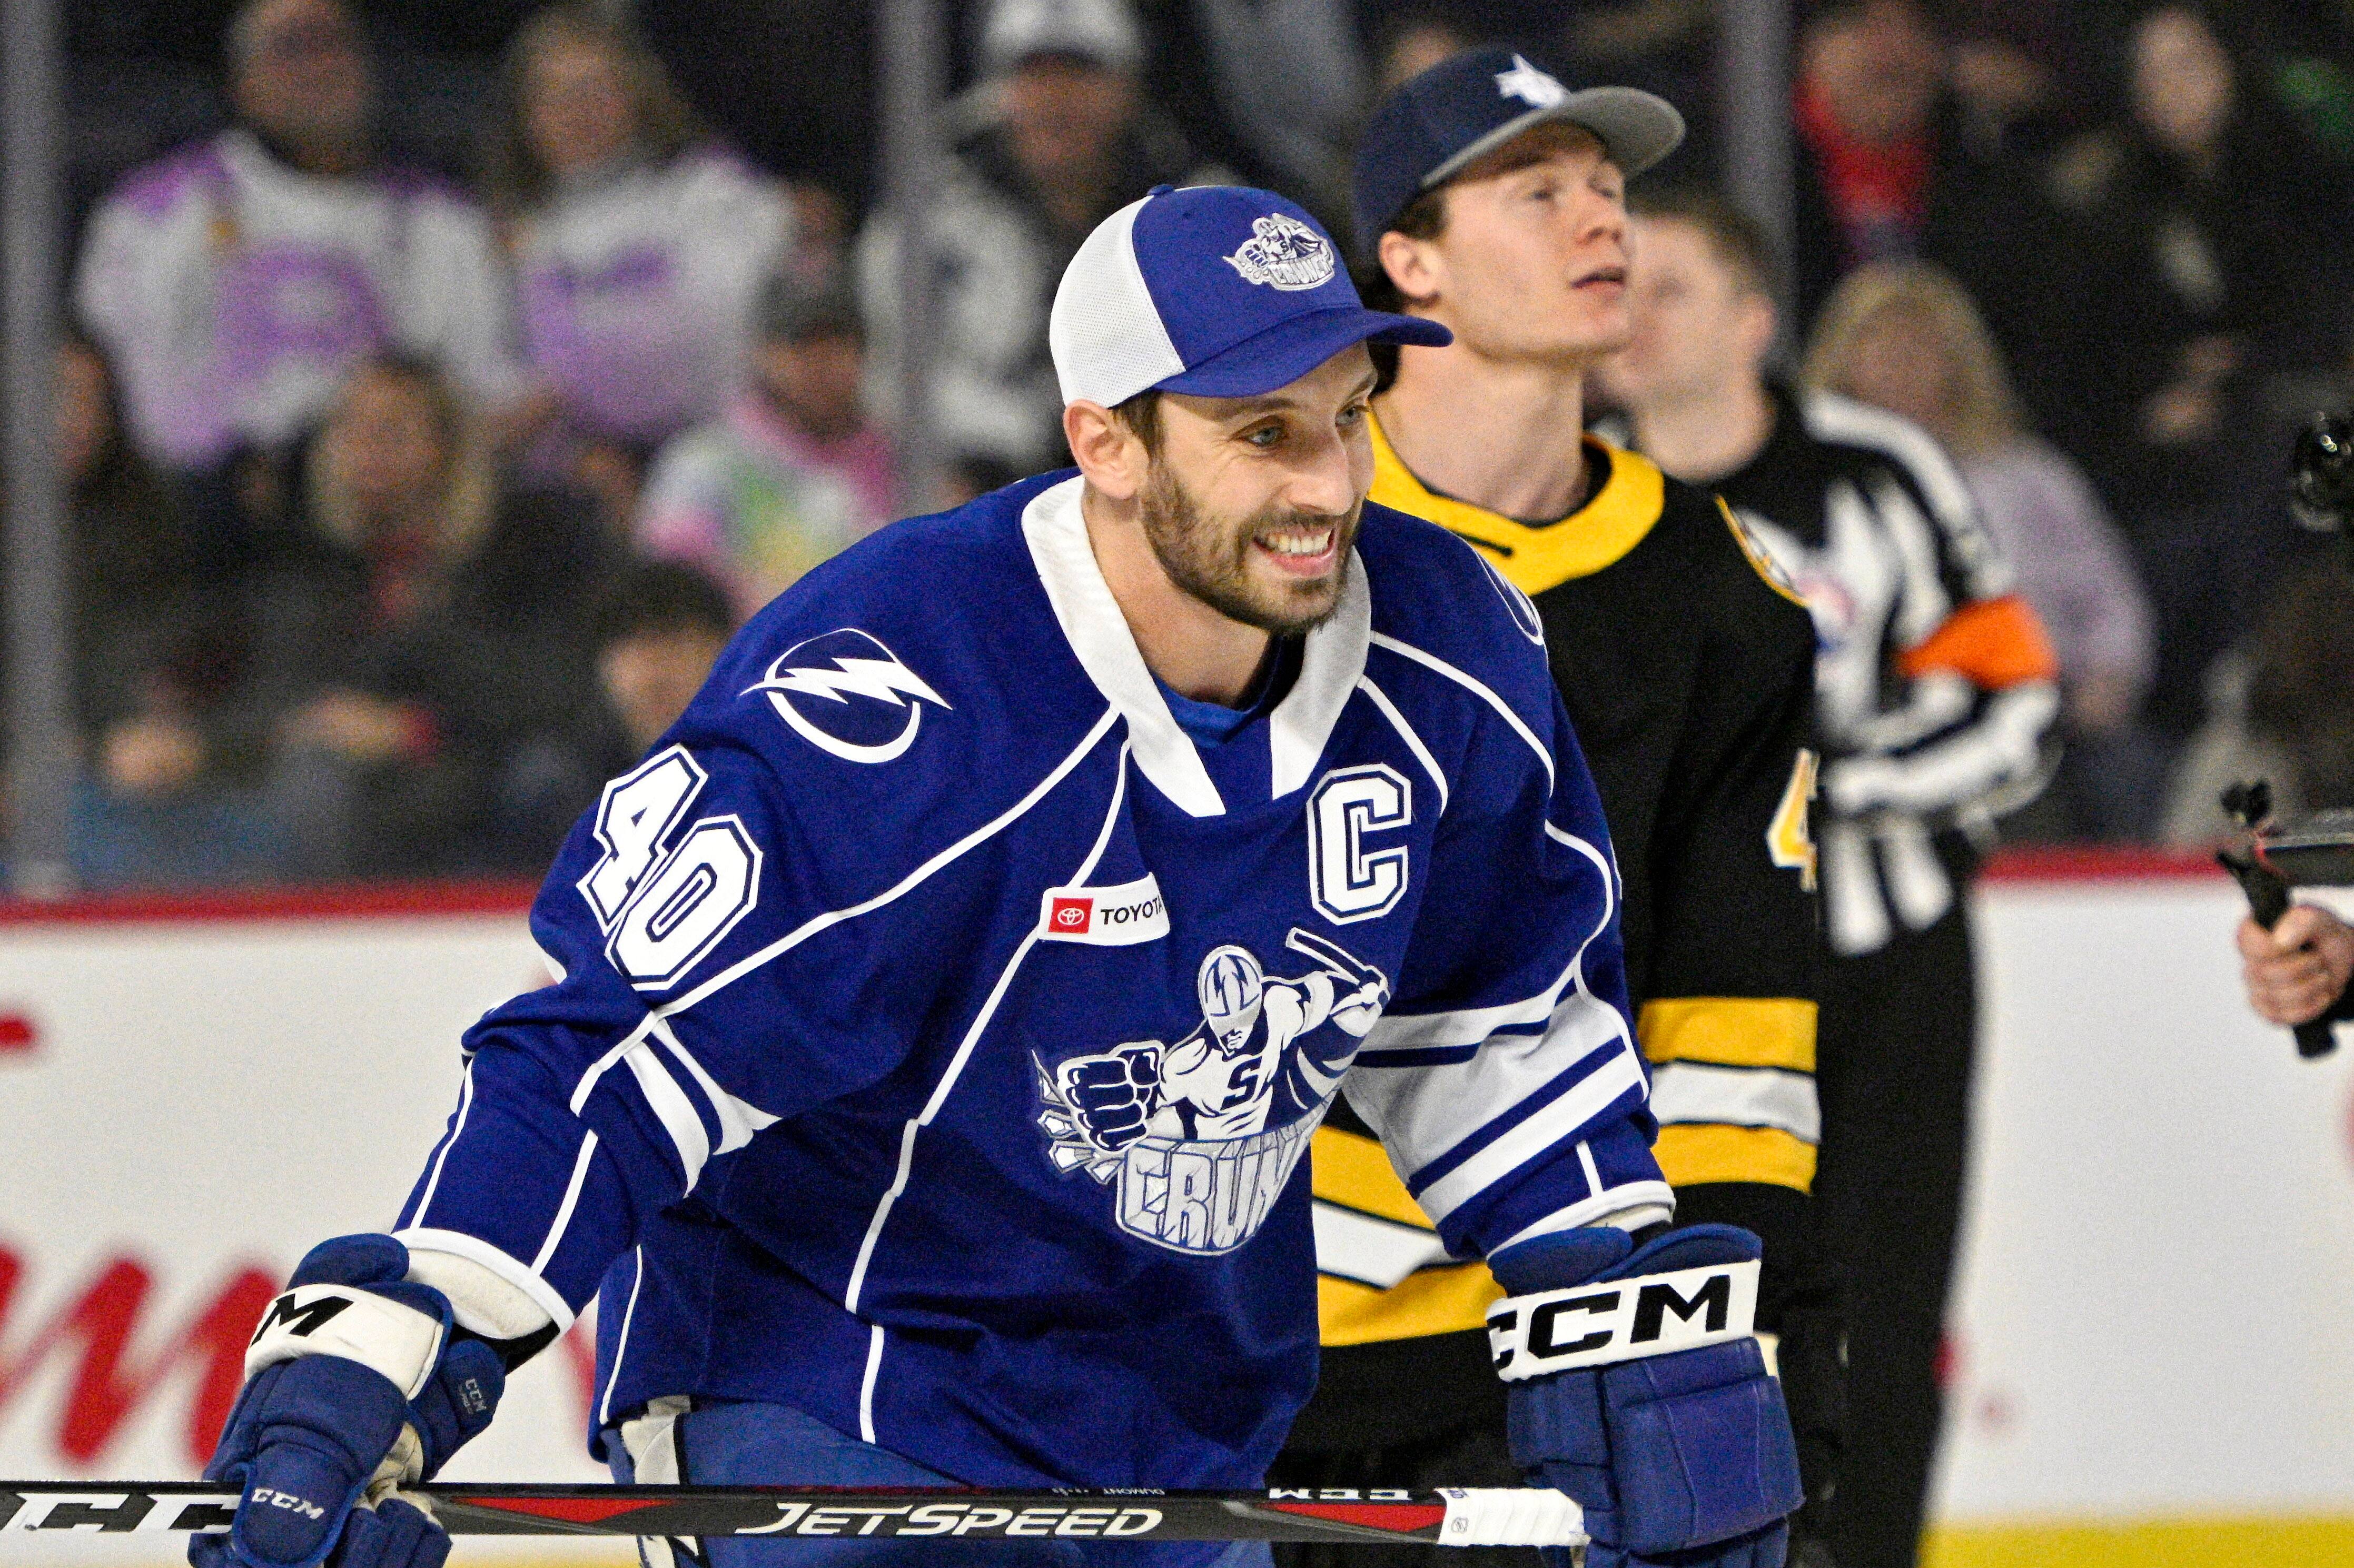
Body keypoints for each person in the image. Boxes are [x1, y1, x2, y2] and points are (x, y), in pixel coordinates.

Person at [186, 184, 1799, 1568]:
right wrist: (399, 1338)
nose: (1322, 485)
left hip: (1184, 1402)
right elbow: (609, 1054)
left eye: (1343, 417)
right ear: (1102, 436)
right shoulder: (900, 692)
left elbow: (1492, 1016)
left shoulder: (1448, 647)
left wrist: (1603, 1280)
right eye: (1257, 433)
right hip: (833, 1371)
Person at [1274, 51, 1825, 1568]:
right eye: (1536, 192)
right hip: (1229, 1317)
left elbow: (1733, 1013)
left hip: (1540, 1326)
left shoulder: (1717, 592)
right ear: (1408, 261)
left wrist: (1715, 1321)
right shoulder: (1269, 542)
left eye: (1607, 190)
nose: (1602, 225)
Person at [1599, 192, 2061, 1568]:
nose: (1626, 310)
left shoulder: (1877, 471)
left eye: (1667, 285)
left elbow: (2016, 703)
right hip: (1671, 977)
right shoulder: (1573, 487)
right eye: (1614, 283)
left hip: (1890, 964)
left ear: (1752, 319)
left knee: (1881, 1302)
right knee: (1687, 1303)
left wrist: (1806, 793)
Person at [72, 0, 520, 471]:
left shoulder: (449, 222)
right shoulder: (149, 215)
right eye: (292, 47)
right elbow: (111, 396)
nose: (319, 68)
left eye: (334, 44)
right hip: (202, 514)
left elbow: (489, 392)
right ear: (243, 83)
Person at [1805, 260, 2161, 841]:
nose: (1903, 366)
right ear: (1842, 362)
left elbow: (2115, 606)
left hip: (2039, 718)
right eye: (1883, 348)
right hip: (1865, 726)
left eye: (1921, 348)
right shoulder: (1810, 487)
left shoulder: (2029, 476)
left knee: (2124, 770)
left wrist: (2107, 680)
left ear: (1960, 363)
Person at [243, 355, 614, 879]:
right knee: (309, 777)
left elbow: (557, 684)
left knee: (545, 776)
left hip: (484, 772)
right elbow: (275, 682)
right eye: (353, 428)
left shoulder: (526, 541)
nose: (367, 448)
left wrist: (415, 727)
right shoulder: (306, 555)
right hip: (360, 785)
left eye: (391, 429)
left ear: (447, 447)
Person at [854, 0, 1228, 475]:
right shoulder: (924, 216)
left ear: (1128, 86)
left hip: (1154, 469)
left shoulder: (1193, 209)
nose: (1057, 98)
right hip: (979, 479)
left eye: (1082, 74)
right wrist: (1030, 433)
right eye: (1035, 74)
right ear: (999, 87)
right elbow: (892, 383)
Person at [493, 4, 796, 460]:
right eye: (551, 95)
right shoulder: (514, 234)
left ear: (637, 91)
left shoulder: (712, 192)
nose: (575, 112)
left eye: (592, 90)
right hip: (575, 469)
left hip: (722, 452)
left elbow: (722, 343)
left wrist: (572, 393)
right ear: (525, 116)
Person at [635, 275, 896, 619]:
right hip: (754, 665)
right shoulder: (703, 462)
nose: (822, 364)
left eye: (839, 345)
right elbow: (676, 591)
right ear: (762, 353)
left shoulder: (900, 462)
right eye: (801, 346)